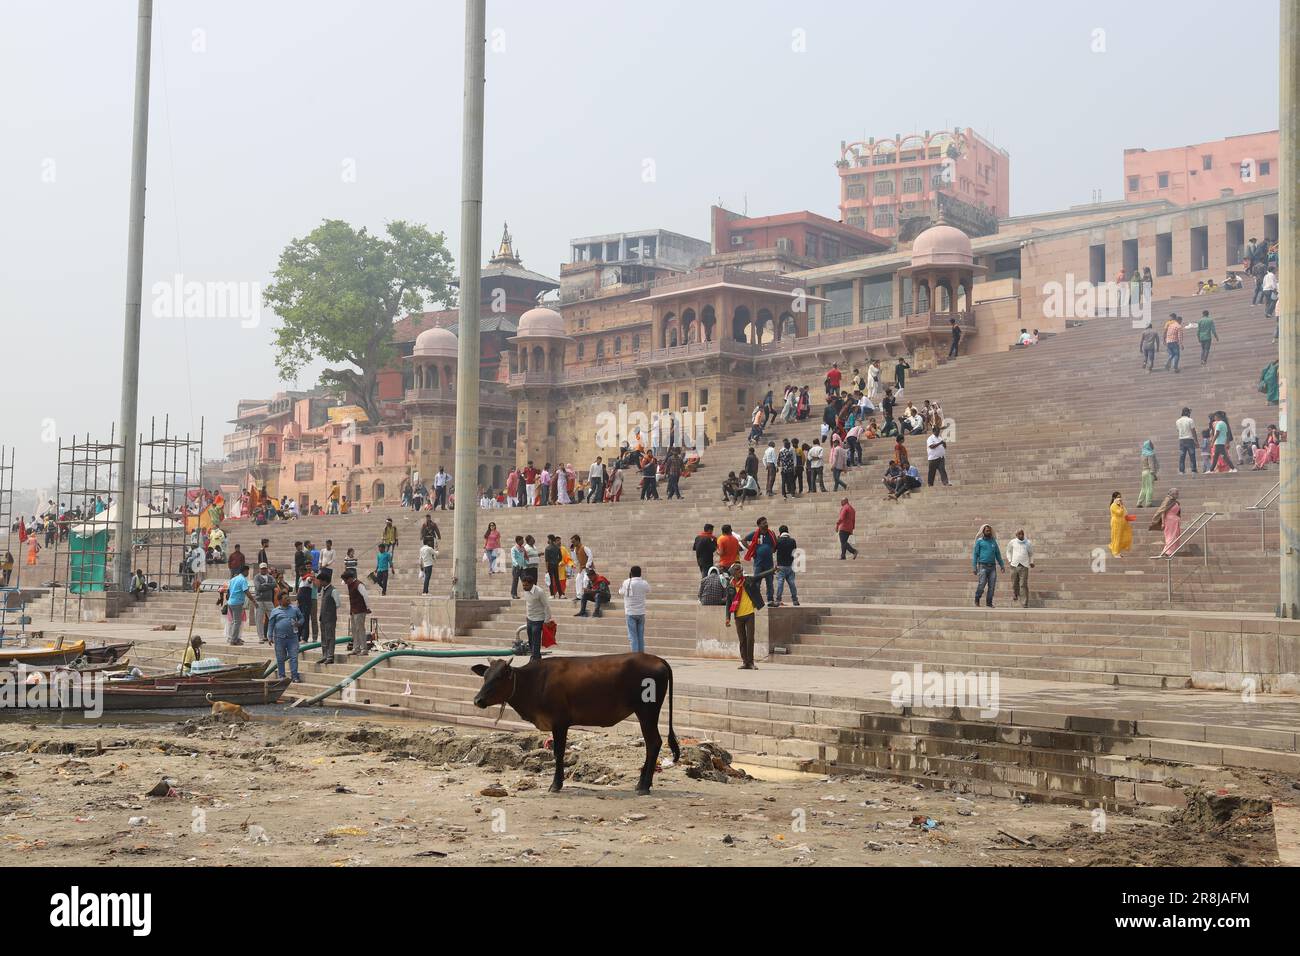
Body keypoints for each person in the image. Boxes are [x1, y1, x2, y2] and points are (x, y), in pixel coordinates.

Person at [724, 564, 765, 670]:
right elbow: (728, 602)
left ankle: (751, 662)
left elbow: (759, 576)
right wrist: (727, 617)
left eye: (741, 571)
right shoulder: (731, 586)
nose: (740, 573)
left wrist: (772, 570)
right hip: (738, 616)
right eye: (738, 571)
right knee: (742, 640)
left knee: (750, 638)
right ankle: (745, 662)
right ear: (733, 573)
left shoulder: (747, 580)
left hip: (749, 614)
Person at [267, 590, 304, 683]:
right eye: (285, 598)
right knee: (280, 658)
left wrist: (298, 623)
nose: (288, 599)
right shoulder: (275, 611)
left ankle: (295, 676)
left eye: (288, 598)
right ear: (279, 601)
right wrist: (269, 636)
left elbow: (302, 618)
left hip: (292, 638)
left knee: (294, 657)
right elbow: (271, 624)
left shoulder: (295, 609)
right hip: (279, 639)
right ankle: (282, 676)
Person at [519, 570, 553, 662]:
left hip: (539, 620)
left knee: (536, 640)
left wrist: (547, 620)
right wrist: (527, 616)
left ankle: (535, 658)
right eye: (523, 585)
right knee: (530, 640)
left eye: (526, 585)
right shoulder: (526, 592)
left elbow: (546, 606)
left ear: (531, 584)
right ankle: (535, 656)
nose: (524, 587)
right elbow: (528, 604)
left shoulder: (539, 592)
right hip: (530, 619)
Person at [743, 517, 778, 604]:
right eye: (763, 523)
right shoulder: (755, 534)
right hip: (758, 563)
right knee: (757, 583)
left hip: (769, 563)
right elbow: (743, 540)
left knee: (769, 583)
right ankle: (756, 600)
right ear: (759, 525)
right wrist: (751, 549)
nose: (766, 524)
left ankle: (770, 600)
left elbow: (775, 543)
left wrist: (772, 549)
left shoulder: (771, 534)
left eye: (766, 522)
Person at [618, 566, 651, 654]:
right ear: (640, 573)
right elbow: (648, 590)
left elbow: (621, 592)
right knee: (640, 636)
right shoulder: (644, 583)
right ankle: (641, 654)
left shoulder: (626, 582)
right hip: (641, 612)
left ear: (631, 573)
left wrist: (629, 579)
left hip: (630, 612)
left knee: (633, 636)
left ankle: (635, 656)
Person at [972, 524, 1005, 608]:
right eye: (987, 530)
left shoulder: (993, 541)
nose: (988, 532)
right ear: (983, 531)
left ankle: (989, 603)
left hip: (992, 567)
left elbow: (998, 554)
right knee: (982, 583)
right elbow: (975, 554)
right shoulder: (979, 541)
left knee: (992, 586)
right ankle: (977, 598)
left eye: (989, 530)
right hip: (982, 565)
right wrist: (974, 567)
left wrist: (1002, 565)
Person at [342, 567, 371, 657]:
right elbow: (343, 582)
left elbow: (365, 596)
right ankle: (356, 648)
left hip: (360, 610)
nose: (345, 583)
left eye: (346, 581)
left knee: (360, 629)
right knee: (354, 630)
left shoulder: (359, 584)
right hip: (353, 610)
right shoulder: (349, 584)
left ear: (350, 579)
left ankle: (364, 649)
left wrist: (368, 607)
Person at [1007, 530, 1034, 609]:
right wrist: (1009, 560)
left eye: (1022, 534)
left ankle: (1024, 603)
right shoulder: (1012, 542)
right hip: (1014, 565)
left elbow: (1031, 553)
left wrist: (1031, 562)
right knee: (1014, 583)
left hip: (1024, 566)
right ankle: (1015, 593)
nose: (1021, 535)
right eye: (1019, 534)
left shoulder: (1028, 543)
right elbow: (1008, 551)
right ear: (1016, 535)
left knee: (1023, 584)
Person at [1150, 489, 1182, 557]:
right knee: (1170, 536)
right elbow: (1163, 511)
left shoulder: (1175, 502)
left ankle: (1168, 551)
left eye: (1177, 493)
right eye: (1175, 493)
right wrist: (1163, 523)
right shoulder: (1168, 500)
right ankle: (1167, 551)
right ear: (1171, 493)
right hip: (1169, 521)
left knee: (1175, 536)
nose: (1177, 495)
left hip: (1175, 521)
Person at [774, 525, 799, 607]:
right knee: (792, 583)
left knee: (780, 583)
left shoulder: (778, 541)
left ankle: (778, 600)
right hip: (790, 565)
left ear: (780, 532)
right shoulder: (792, 541)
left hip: (781, 565)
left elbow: (774, 550)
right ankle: (795, 600)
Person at [224, 566, 251, 645]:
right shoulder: (243, 580)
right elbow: (246, 591)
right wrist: (253, 601)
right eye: (247, 572)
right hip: (237, 603)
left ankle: (232, 638)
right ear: (245, 571)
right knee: (237, 622)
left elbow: (229, 590)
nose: (248, 573)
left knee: (233, 622)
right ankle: (234, 640)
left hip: (231, 602)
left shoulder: (233, 579)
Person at [1109, 491, 1133, 558]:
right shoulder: (1113, 506)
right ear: (1114, 498)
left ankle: (1118, 552)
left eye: (1120, 497)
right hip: (1116, 523)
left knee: (1121, 538)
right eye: (1118, 497)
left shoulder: (1120, 505)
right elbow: (1119, 513)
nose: (1119, 499)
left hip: (1122, 523)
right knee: (1116, 537)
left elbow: (1125, 513)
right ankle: (1115, 552)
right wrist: (1121, 506)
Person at [296, 571, 319, 643]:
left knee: (307, 619)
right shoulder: (301, 579)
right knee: (300, 618)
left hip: (308, 601)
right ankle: (298, 637)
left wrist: (312, 577)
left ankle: (306, 638)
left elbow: (313, 582)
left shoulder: (309, 578)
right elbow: (299, 590)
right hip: (301, 602)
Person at [1176, 407, 1198, 475]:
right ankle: (1193, 470)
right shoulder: (1190, 420)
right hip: (1189, 439)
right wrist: (1196, 441)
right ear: (1188, 413)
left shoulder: (1178, 421)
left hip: (1182, 439)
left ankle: (1181, 471)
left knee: (1182, 456)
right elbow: (1193, 430)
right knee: (1192, 455)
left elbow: (1178, 430)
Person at [1138, 442, 1157, 508]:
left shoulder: (1143, 454)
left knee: (1143, 488)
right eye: (1151, 444)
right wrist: (1154, 474)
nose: (1152, 445)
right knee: (1149, 488)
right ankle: (1148, 502)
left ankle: (1139, 502)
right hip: (1149, 472)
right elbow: (1151, 464)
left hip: (1144, 472)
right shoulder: (1150, 454)